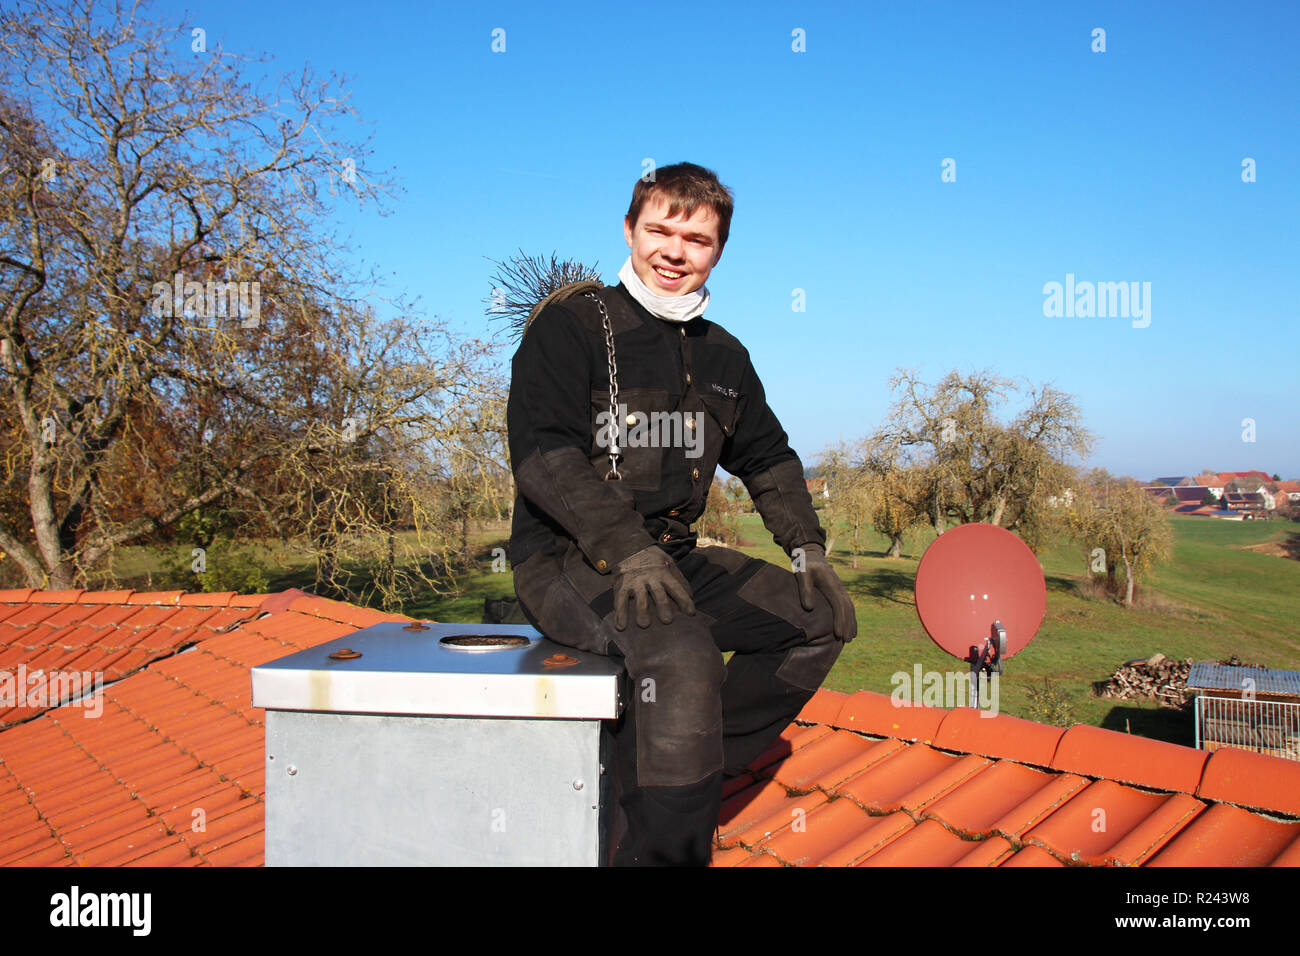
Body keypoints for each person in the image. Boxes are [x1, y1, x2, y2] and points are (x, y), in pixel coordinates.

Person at [506, 162, 857, 866]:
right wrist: (626, 550)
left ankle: (684, 764)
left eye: (695, 239)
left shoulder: (725, 355)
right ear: (630, 232)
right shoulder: (572, 328)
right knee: (684, 658)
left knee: (824, 617)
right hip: (573, 560)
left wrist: (805, 548)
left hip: (673, 556)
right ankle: (661, 849)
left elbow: (770, 458)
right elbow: (544, 455)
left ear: (718, 250)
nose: (674, 251)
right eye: (659, 230)